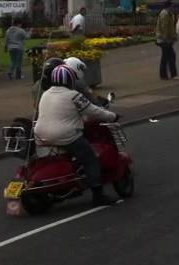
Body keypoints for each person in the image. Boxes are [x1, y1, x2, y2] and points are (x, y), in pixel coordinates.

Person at [33, 65, 121, 208]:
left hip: (41, 134)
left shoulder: (46, 94)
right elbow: (93, 111)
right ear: (70, 80)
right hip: (65, 135)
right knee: (91, 159)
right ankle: (98, 195)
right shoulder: (74, 95)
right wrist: (113, 116)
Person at [155, 7, 178, 80]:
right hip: (164, 40)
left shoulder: (167, 13)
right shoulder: (165, 14)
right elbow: (164, 27)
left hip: (165, 39)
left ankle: (167, 74)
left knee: (167, 56)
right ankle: (169, 74)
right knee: (168, 57)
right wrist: (166, 39)